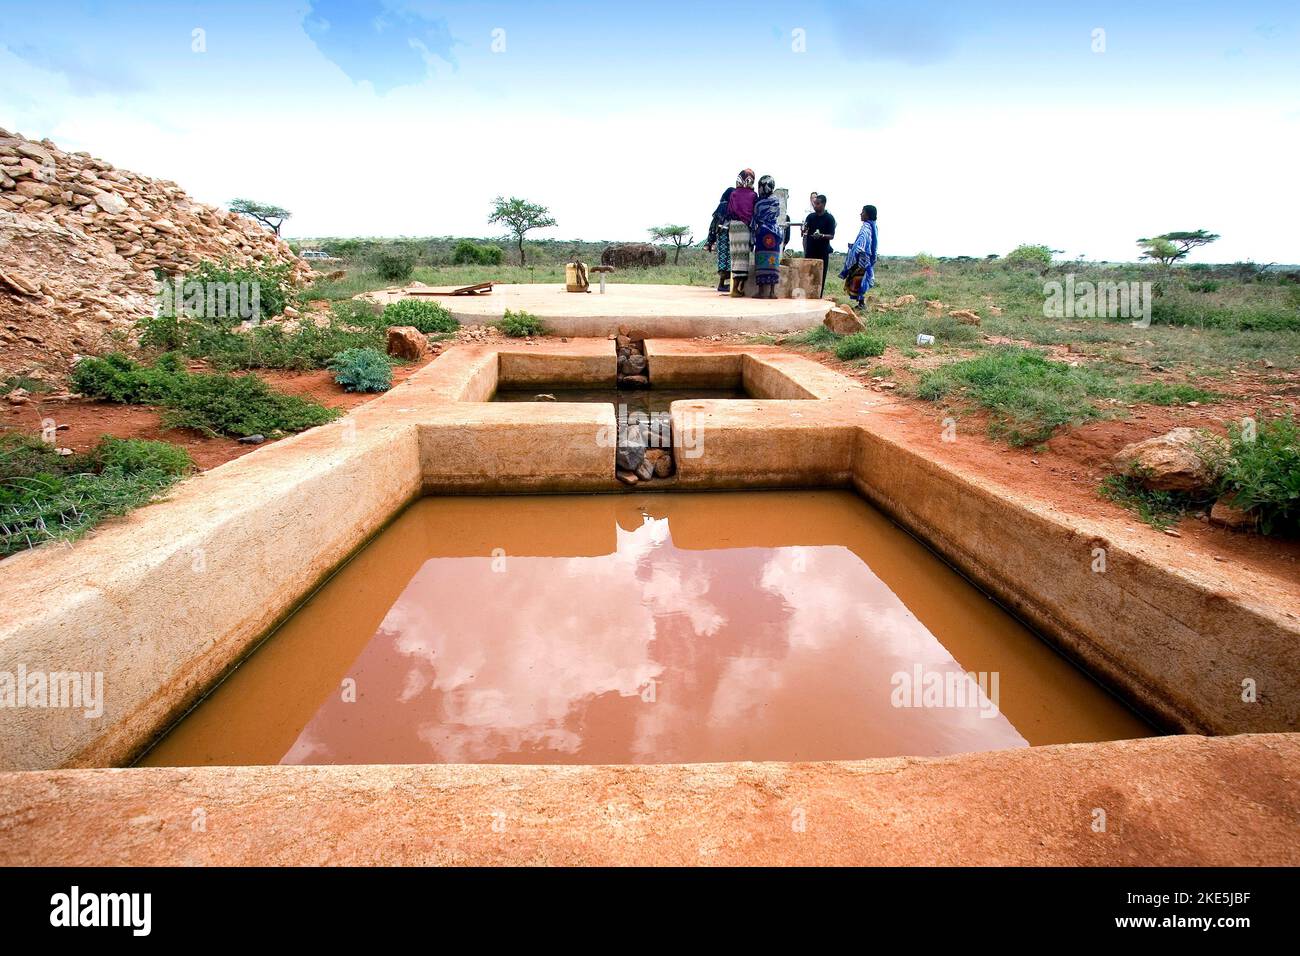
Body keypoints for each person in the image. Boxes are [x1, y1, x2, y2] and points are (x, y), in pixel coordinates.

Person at [750, 175, 784, 299]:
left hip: (762, 232)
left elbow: (756, 215)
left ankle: (762, 292)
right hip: (773, 233)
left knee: (762, 260)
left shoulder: (759, 202)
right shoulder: (775, 200)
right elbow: (776, 214)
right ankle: (771, 292)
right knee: (771, 261)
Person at [725, 169, 757, 297]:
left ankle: (735, 288)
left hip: (733, 227)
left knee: (735, 256)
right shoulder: (753, 195)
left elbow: (729, 210)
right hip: (744, 226)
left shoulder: (733, 193)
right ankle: (736, 289)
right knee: (743, 257)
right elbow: (754, 212)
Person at [840, 204, 878, 308]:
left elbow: (863, 243)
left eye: (863, 212)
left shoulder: (866, 227)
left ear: (868, 214)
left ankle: (861, 304)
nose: (860, 214)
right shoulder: (873, 226)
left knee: (859, 280)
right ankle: (860, 303)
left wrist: (855, 250)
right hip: (865, 258)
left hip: (862, 259)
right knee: (859, 279)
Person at [705, 178, 737, 292]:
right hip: (730, 234)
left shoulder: (721, 206)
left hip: (721, 235)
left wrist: (710, 240)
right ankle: (724, 285)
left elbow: (713, 223)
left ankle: (722, 284)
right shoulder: (730, 206)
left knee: (723, 259)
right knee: (730, 259)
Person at [802, 194, 836, 297]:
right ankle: (807, 294)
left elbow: (831, 236)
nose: (815, 206)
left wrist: (821, 236)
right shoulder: (810, 217)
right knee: (808, 274)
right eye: (814, 203)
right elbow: (805, 230)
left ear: (823, 204)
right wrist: (804, 229)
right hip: (810, 251)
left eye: (817, 204)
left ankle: (818, 296)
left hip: (822, 252)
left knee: (820, 276)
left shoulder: (829, 218)